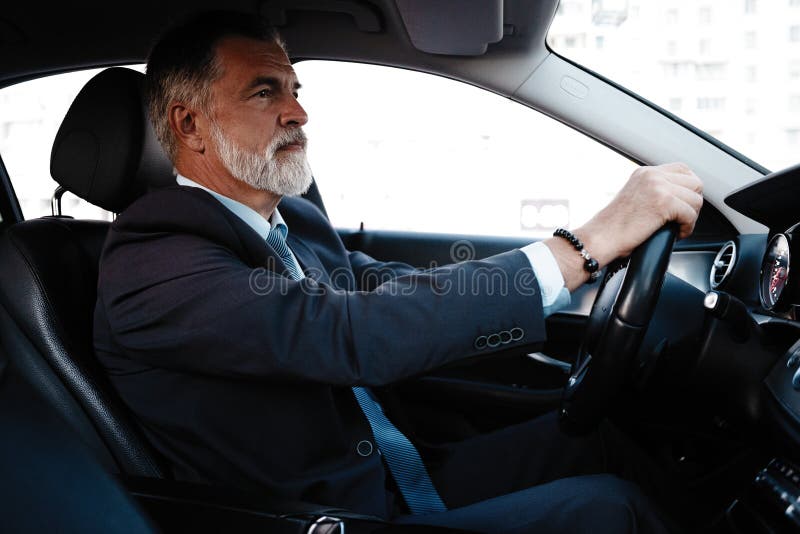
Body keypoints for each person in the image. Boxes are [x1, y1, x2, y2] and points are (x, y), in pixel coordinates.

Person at [93, 10, 703, 533]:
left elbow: (391, 288)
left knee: (600, 441)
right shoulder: (151, 263)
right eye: (264, 93)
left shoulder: (292, 224)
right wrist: (580, 247)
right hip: (329, 518)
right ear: (190, 125)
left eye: (294, 90)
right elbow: (349, 331)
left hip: (398, 471)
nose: (298, 112)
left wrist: (592, 269)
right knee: (610, 511)